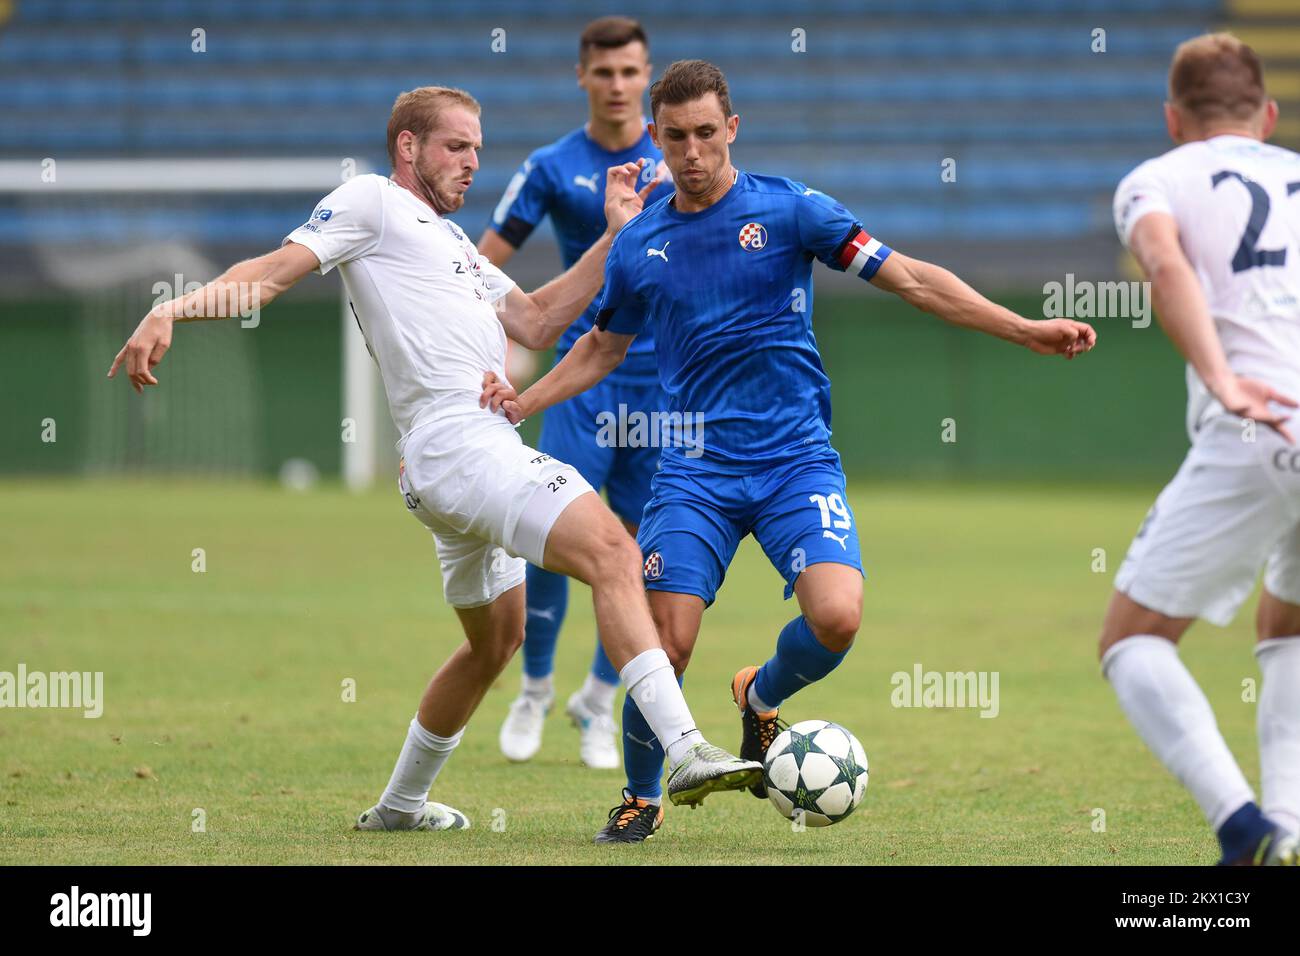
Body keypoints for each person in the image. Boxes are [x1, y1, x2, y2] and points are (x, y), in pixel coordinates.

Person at [108, 85, 760, 836]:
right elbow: (274, 271)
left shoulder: (453, 244)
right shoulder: (371, 202)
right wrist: (174, 308)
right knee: (615, 549)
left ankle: (399, 807)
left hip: (452, 457)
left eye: (479, 149)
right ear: (408, 149)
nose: (473, 163)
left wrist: (617, 234)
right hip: (460, 446)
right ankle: (684, 749)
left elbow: (539, 320)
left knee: (495, 642)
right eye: (458, 147)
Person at [481, 60, 1096, 843]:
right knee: (663, 646)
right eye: (676, 137)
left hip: (795, 460)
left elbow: (911, 279)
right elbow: (602, 346)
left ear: (731, 128)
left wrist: (1024, 328)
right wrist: (525, 400)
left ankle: (759, 695)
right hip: (693, 468)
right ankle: (642, 795)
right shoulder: (640, 242)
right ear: (656, 138)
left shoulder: (792, 209)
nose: (693, 151)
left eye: (707, 133)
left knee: (837, 618)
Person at [1104, 32, 1300, 865]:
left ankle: (1244, 827)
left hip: (1259, 426)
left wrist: (1222, 376)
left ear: (1174, 118)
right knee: (1288, 622)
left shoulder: (1158, 178)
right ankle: (1290, 828)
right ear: (1269, 112)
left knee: (1131, 639)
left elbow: (1164, 262)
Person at [478, 16, 672, 770]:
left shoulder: (680, 157)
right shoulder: (553, 166)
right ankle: (534, 687)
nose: (619, 86)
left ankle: (596, 702)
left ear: (646, 75)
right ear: (582, 78)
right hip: (583, 374)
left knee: (640, 551)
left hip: (666, 385)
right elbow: (484, 263)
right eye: (605, 73)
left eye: (631, 73)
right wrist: (498, 353)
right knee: (557, 539)